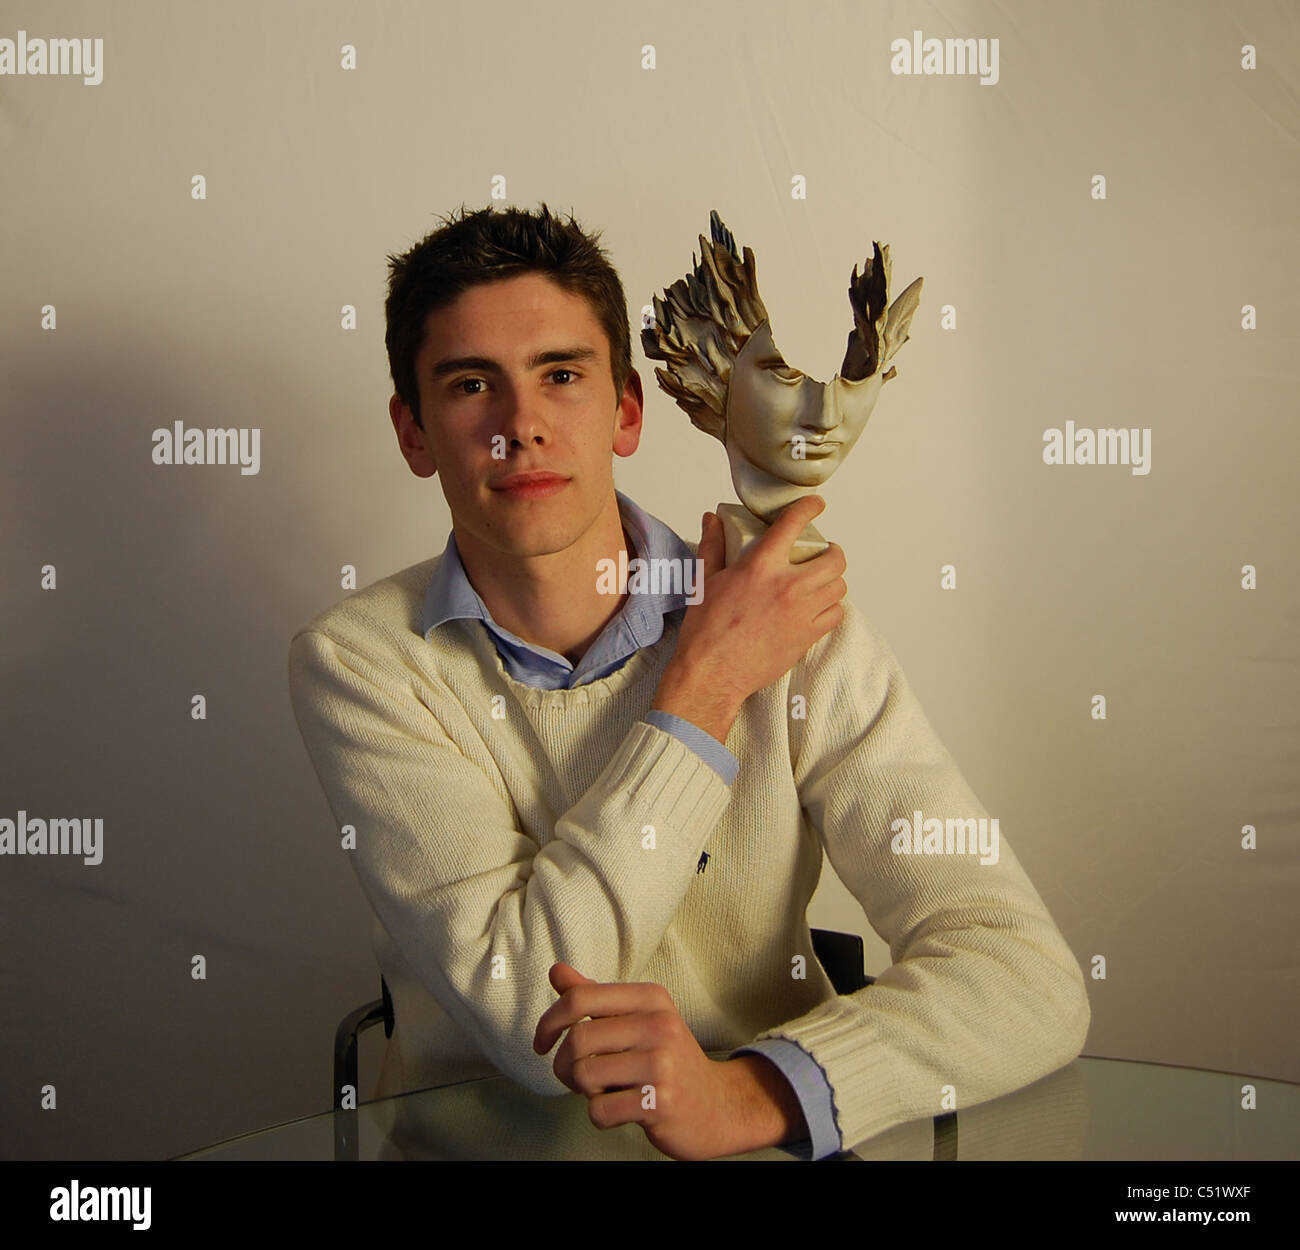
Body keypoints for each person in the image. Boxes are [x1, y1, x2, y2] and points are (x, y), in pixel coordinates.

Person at [287, 203, 1090, 1161]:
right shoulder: (362, 662)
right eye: (470, 386)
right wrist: (705, 687)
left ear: (626, 411)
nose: (522, 427)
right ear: (414, 433)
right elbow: (527, 1020)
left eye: (562, 375)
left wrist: (752, 1092)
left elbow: (1026, 973)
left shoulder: (798, 629)